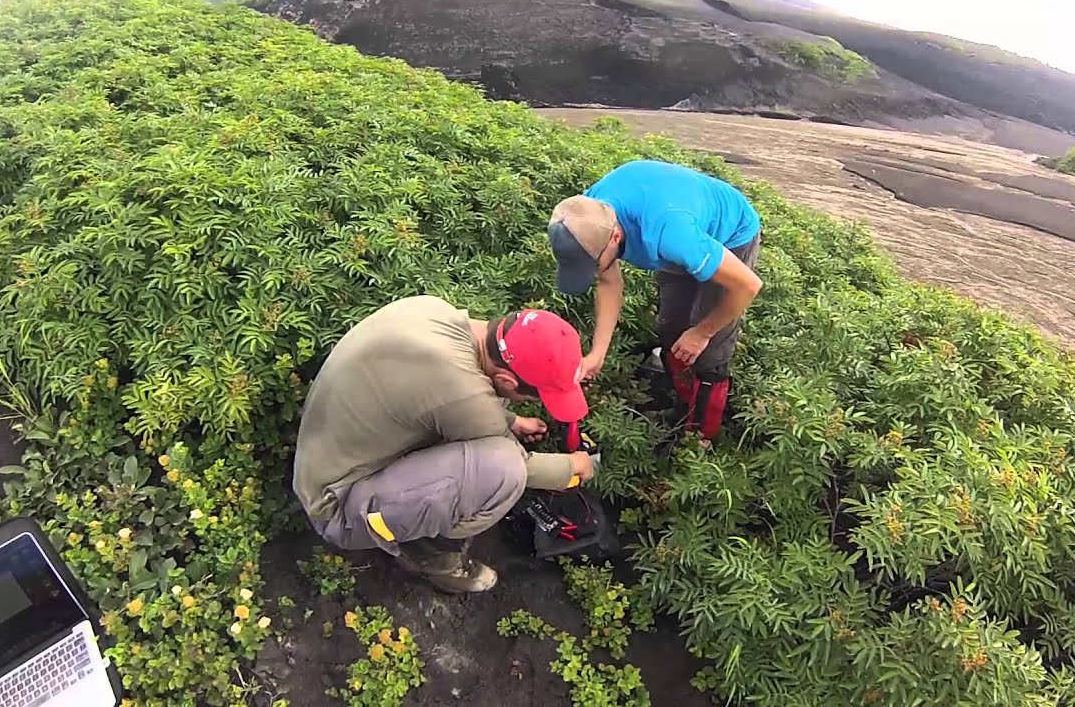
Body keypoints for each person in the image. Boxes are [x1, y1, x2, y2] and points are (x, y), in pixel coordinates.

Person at [291, 295, 597, 594]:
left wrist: (510, 421)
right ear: (508, 380)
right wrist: (572, 468)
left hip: (328, 453)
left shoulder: (435, 312)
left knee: (487, 413)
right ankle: (432, 556)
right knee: (502, 470)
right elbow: (521, 466)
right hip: (336, 505)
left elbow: (438, 395)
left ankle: (410, 520)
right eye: (536, 396)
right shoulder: (465, 394)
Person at [547, 159, 763, 441]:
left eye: (593, 264)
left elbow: (747, 286)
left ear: (615, 238)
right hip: (679, 228)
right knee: (671, 330)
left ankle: (699, 439)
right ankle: (682, 407)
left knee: (710, 349)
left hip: (729, 234)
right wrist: (597, 354)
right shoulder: (584, 215)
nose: (595, 270)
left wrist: (701, 333)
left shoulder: (672, 233)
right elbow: (609, 281)